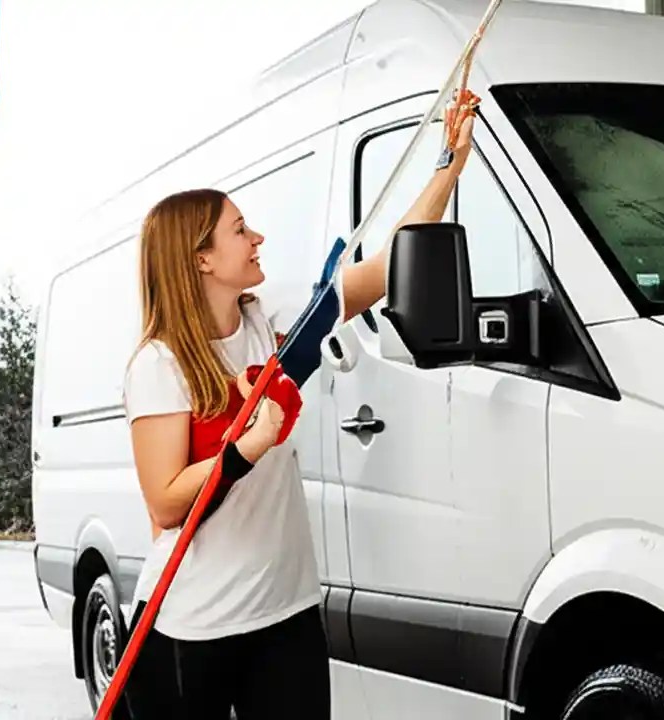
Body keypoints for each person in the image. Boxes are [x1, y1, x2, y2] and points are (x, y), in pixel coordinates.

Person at [116, 93, 479, 719]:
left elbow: (389, 265)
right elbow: (166, 503)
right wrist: (244, 450)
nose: (257, 237)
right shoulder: (161, 364)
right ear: (201, 259)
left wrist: (449, 165)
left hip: (284, 614)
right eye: (239, 230)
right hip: (189, 624)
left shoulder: (274, 319)